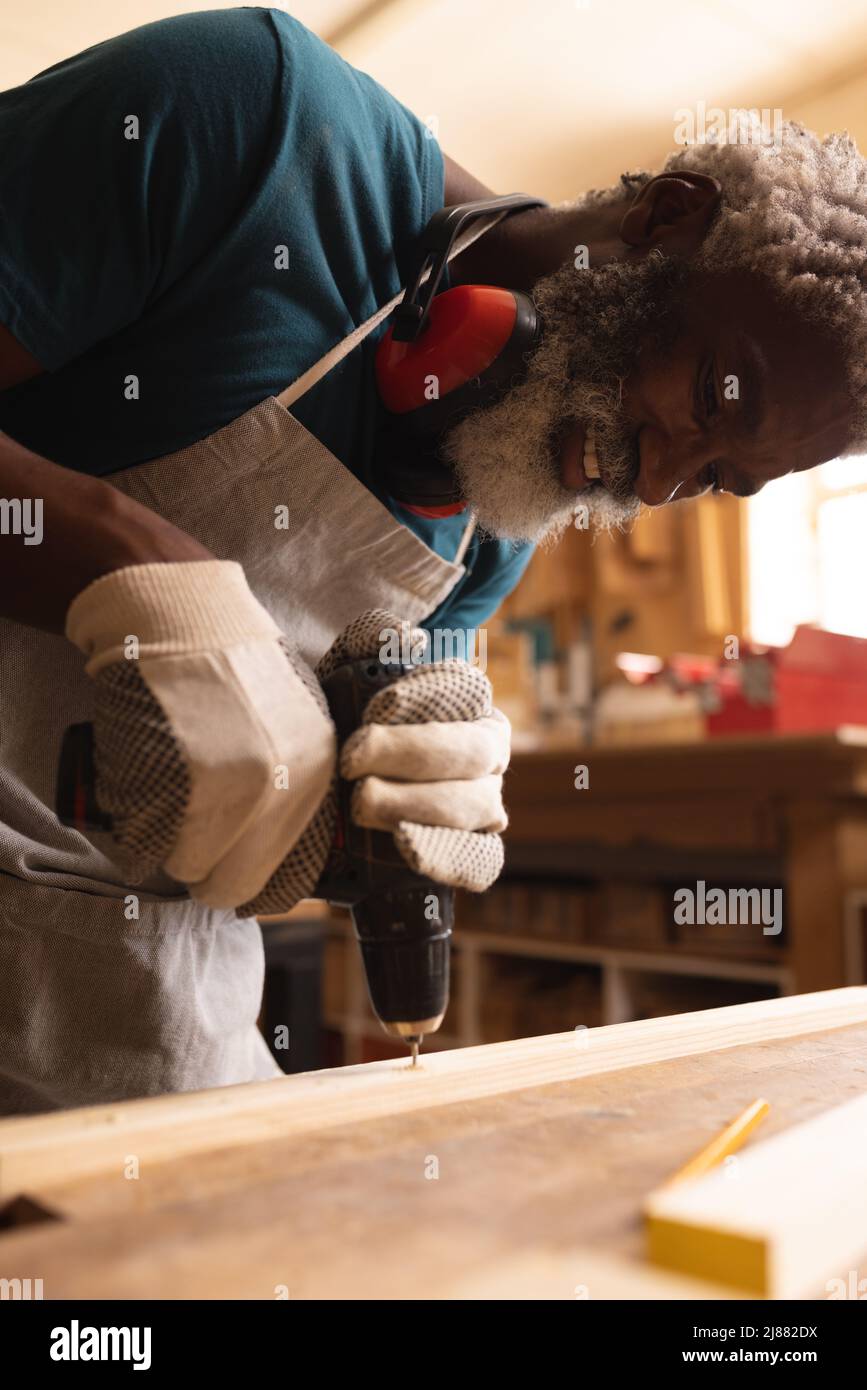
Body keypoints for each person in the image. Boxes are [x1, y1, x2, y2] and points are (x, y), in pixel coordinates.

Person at [0, 9, 862, 1112]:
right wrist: (116, 561)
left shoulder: (503, 506)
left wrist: (396, 805)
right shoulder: (253, 125)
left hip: (139, 1030)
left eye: (717, 480)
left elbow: (269, 790)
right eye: (709, 396)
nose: (656, 483)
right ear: (668, 218)